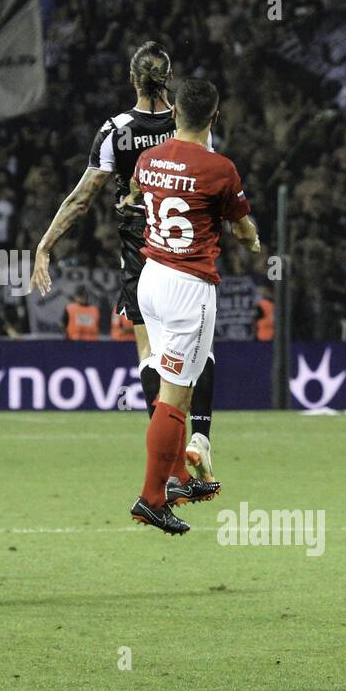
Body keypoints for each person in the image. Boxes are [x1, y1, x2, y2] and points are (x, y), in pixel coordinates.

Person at [31, 41, 217, 486]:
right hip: (188, 252)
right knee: (196, 354)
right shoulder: (190, 126)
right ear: (169, 79)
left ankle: (170, 470)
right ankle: (202, 438)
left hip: (141, 257)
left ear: (132, 79)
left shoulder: (116, 129)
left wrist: (46, 243)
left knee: (151, 357)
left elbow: (83, 197)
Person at [126, 78, 259, 534]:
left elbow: (138, 193)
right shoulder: (220, 169)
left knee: (166, 382)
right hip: (188, 287)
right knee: (176, 397)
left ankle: (181, 478)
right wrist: (255, 240)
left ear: (174, 113)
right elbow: (241, 230)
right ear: (214, 118)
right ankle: (151, 498)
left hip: (151, 279)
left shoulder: (148, 158)